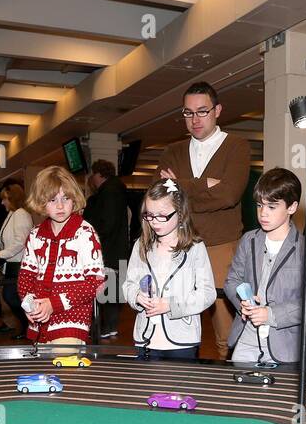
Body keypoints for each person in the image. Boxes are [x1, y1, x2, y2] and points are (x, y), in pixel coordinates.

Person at [155, 81, 251, 357]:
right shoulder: (172, 151)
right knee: (177, 324)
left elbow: (229, 195)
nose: (195, 120)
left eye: (202, 111)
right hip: (180, 247)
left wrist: (181, 186)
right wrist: (205, 184)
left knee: (227, 330)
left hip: (221, 247)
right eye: (188, 113)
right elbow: (162, 198)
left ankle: (230, 391)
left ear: (217, 110)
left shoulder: (236, 146)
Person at [223, 167, 306, 366]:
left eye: (272, 207)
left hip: (285, 347)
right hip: (246, 339)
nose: (263, 213)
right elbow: (232, 281)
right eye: (259, 205)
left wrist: (272, 314)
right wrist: (242, 303)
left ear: (292, 207)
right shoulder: (248, 240)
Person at [122, 178, 215, 360]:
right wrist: (136, 297)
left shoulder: (195, 247)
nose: (154, 221)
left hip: (182, 340)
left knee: (179, 388)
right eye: (149, 215)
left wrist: (170, 305)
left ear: (180, 214)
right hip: (146, 338)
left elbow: (207, 293)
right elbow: (129, 285)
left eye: (162, 215)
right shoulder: (141, 245)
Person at [16, 165, 106, 345]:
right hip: (40, 322)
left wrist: (53, 304)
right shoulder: (35, 235)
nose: (60, 205)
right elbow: (26, 277)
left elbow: (95, 283)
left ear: (74, 199)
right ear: (41, 203)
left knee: (65, 366)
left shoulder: (85, 233)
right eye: (52, 200)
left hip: (72, 320)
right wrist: (29, 303)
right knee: (46, 371)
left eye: (66, 198)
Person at [84, 158, 131, 339]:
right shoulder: (118, 190)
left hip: (108, 250)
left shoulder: (108, 193)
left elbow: (107, 224)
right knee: (114, 290)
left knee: (108, 290)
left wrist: (94, 238)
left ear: (98, 174)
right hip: (119, 249)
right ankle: (111, 326)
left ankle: (108, 327)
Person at [0, 181, 33, 339]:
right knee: (11, 296)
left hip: (19, 265)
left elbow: (20, 242)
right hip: (13, 265)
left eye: (5, 198)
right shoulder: (14, 214)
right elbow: (11, 242)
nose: (2, 202)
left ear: (13, 198)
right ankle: (28, 327)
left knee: (11, 296)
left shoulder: (20, 214)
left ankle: (30, 327)